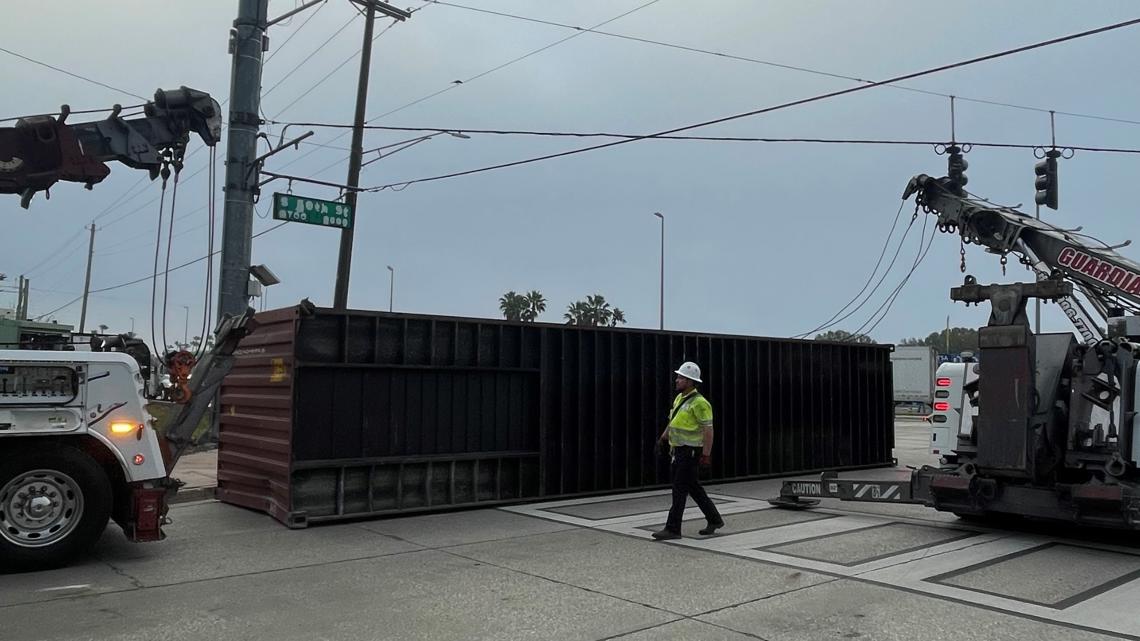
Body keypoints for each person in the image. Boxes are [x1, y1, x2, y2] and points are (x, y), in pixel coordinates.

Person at [653, 361, 724, 540]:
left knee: (679, 490)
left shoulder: (700, 403)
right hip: (678, 451)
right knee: (693, 488)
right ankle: (714, 519)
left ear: (691, 381)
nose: (676, 380)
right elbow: (674, 421)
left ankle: (673, 528)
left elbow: (708, 430)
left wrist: (706, 455)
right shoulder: (680, 399)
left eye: (680, 377)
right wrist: (662, 438)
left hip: (690, 453)